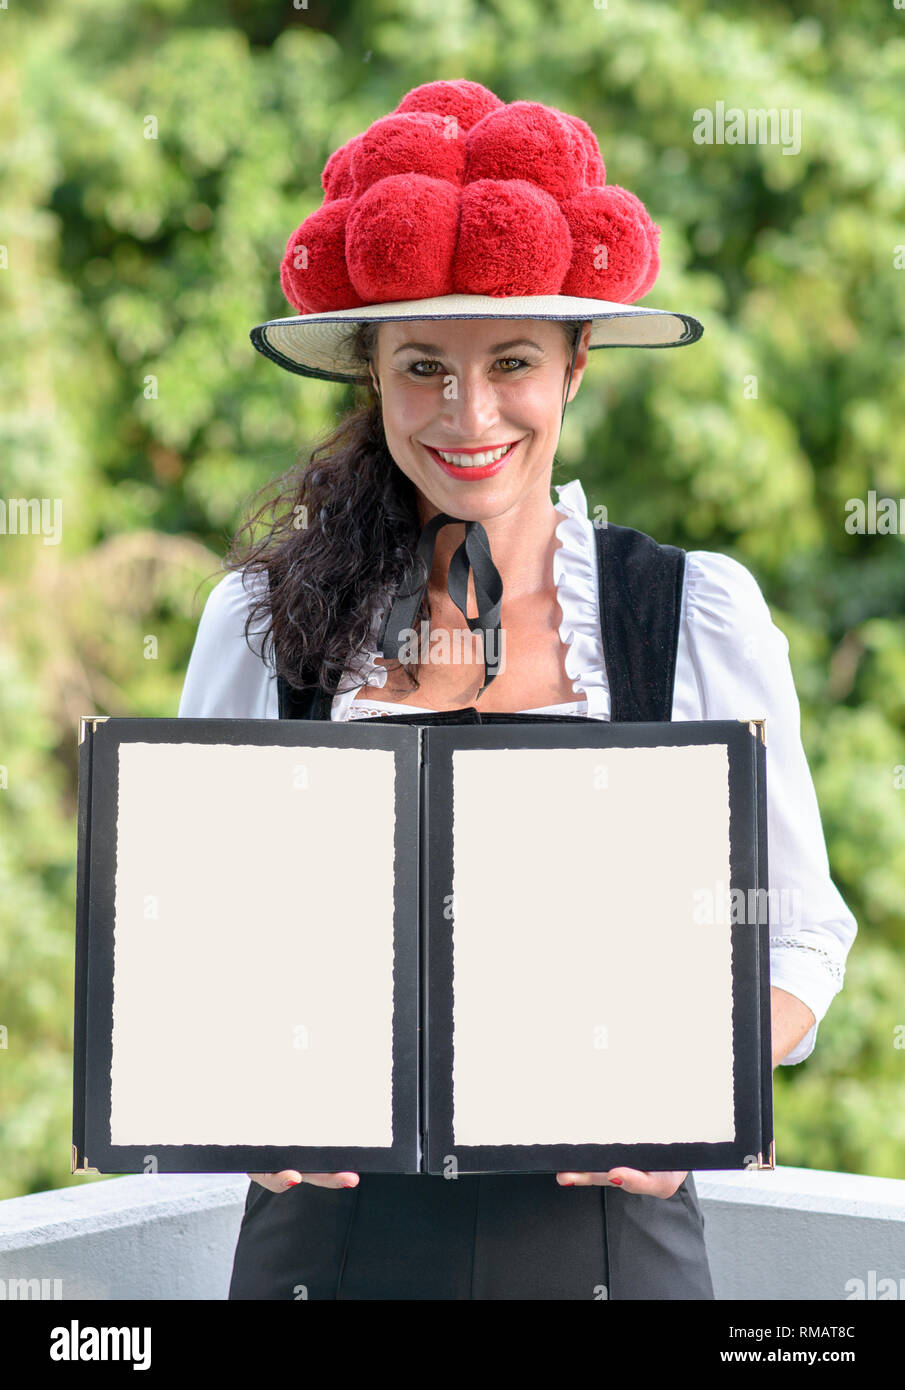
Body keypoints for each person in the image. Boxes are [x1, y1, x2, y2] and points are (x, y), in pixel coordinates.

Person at [177, 80, 857, 1299]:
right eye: (423, 366)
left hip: (606, 1247)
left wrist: (696, 1091)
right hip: (321, 1255)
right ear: (372, 377)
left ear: (578, 366)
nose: (467, 412)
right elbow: (187, 945)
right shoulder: (261, 622)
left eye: (511, 363)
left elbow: (796, 936)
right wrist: (234, 1093)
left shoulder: (689, 614)